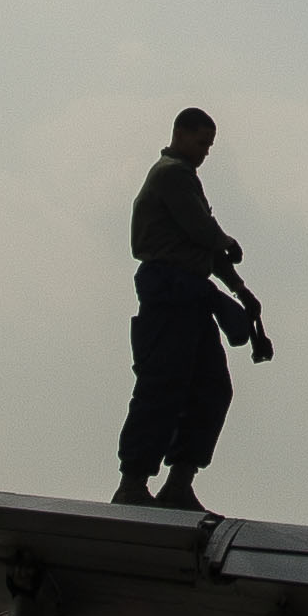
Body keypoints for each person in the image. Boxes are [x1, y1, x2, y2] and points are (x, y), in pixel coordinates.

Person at [113, 106, 274, 509]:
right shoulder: (171, 174)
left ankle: (179, 483)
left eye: (209, 145)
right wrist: (227, 241)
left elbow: (204, 245)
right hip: (168, 295)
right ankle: (133, 482)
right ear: (180, 134)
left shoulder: (187, 180)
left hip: (193, 297)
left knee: (212, 388)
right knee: (162, 386)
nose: (205, 152)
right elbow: (203, 232)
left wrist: (240, 289)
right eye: (201, 142)